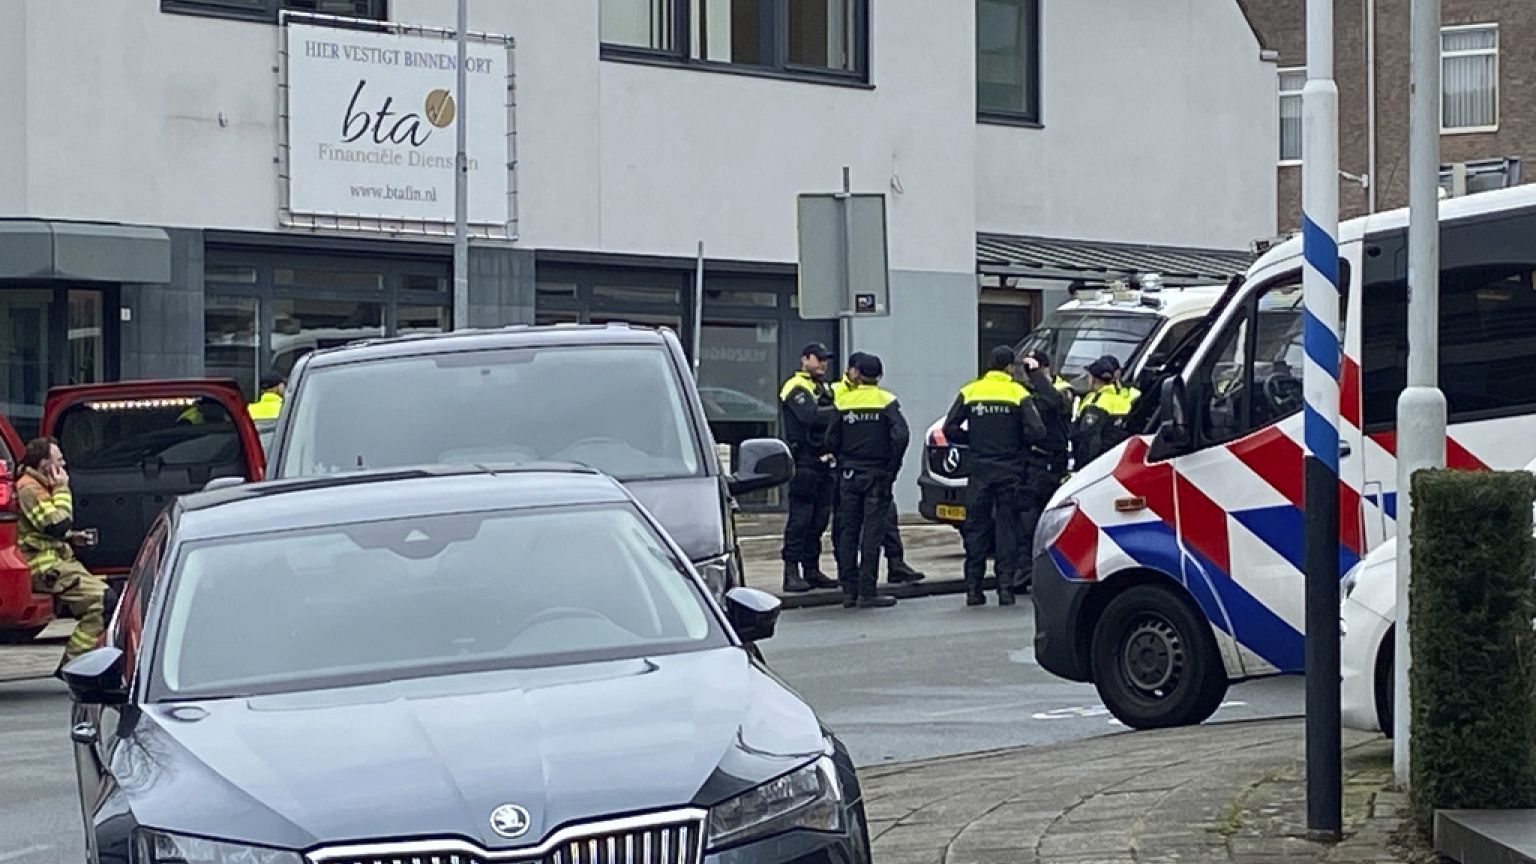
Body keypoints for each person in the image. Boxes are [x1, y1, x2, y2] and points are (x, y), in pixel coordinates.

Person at [943, 346, 1048, 606]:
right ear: (1010, 367)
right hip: (1010, 470)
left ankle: (973, 589)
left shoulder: (970, 391)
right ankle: (1005, 590)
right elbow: (1038, 432)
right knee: (1006, 529)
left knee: (976, 528)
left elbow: (950, 428)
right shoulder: (1017, 392)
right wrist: (1016, 443)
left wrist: (973, 440)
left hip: (979, 469)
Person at [831, 353, 926, 587]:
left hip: (849, 474)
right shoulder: (887, 401)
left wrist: (843, 456)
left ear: (858, 375)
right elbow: (901, 435)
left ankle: (848, 590)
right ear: (879, 376)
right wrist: (892, 466)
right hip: (876, 475)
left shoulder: (843, 402)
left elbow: (830, 438)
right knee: (872, 533)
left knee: (847, 532)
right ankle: (867, 590)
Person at [14, 438, 107, 673]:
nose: (63, 464)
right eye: (59, 460)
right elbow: (56, 523)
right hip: (46, 568)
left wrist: (71, 537)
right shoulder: (30, 488)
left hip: (57, 562)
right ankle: (73, 667)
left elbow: (47, 529)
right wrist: (62, 488)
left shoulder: (37, 485)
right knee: (103, 603)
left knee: (108, 601)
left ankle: (80, 663)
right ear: (45, 464)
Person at [778, 343, 840, 593]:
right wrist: (839, 411)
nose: (823, 364)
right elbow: (810, 417)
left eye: (826, 360)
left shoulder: (823, 388)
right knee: (800, 519)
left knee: (819, 519)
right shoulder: (796, 387)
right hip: (804, 461)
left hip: (823, 461)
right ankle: (791, 572)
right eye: (819, 359)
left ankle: (812, 570)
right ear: (805, 359)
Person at [1016, 350, 1072, 593]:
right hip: (1034, 463)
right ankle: (1026, 572)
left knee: (1055, 523)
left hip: (1055, 464)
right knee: (1027, 521)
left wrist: (1038, 375)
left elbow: (1054, 403)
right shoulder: (1030, 392)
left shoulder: (1063, 390)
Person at [1070, 355, 1141, 469]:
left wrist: (1083, 468)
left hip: (1095, 464)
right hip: (1116, 459)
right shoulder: (1120, 398)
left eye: (1088, 376)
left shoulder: (1096, 402)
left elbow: (1089, 439)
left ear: (1094, 379)